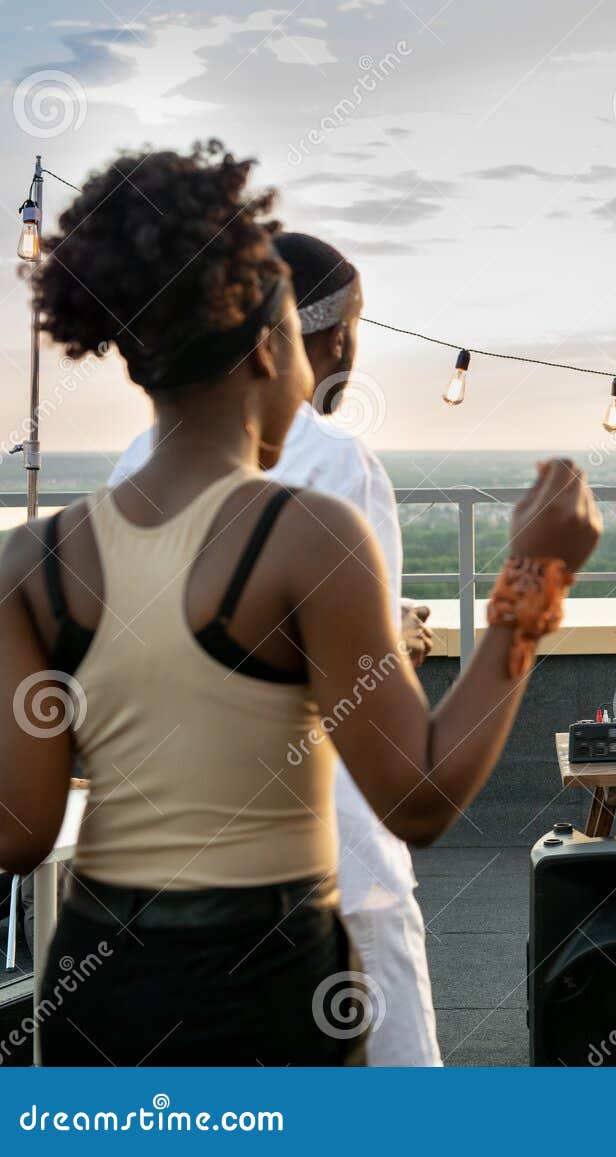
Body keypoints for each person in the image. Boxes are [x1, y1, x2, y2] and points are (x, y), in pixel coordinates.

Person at [0, 141, 602, 1065]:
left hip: (101, 983)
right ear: (266, 345)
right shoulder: (310, 533)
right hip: (266, 978)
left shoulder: (27, 563)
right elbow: (422, 796)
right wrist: (534, 582)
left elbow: (21, 829)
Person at [107, 232, 444, 1066]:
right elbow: (356, 686)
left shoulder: (134, 463)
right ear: (322, 334)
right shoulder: (342, 463)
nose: (350, 351)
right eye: (352, 326)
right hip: (337, 850)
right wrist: (395, 639)